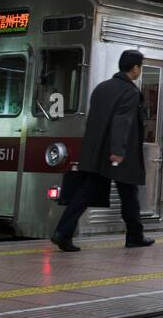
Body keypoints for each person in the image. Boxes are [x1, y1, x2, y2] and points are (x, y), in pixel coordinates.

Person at [51, 50, 155, 251]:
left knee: (86, 193)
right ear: (135, 68)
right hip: (119, 155)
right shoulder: (130, 92)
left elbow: (92, 121)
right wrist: (118, 151)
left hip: (96, 152)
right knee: (129, 194)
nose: (140, 70)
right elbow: (122, 123)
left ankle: (62, 232)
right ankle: (134, 236)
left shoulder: (101, 87)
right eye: (140, 67)